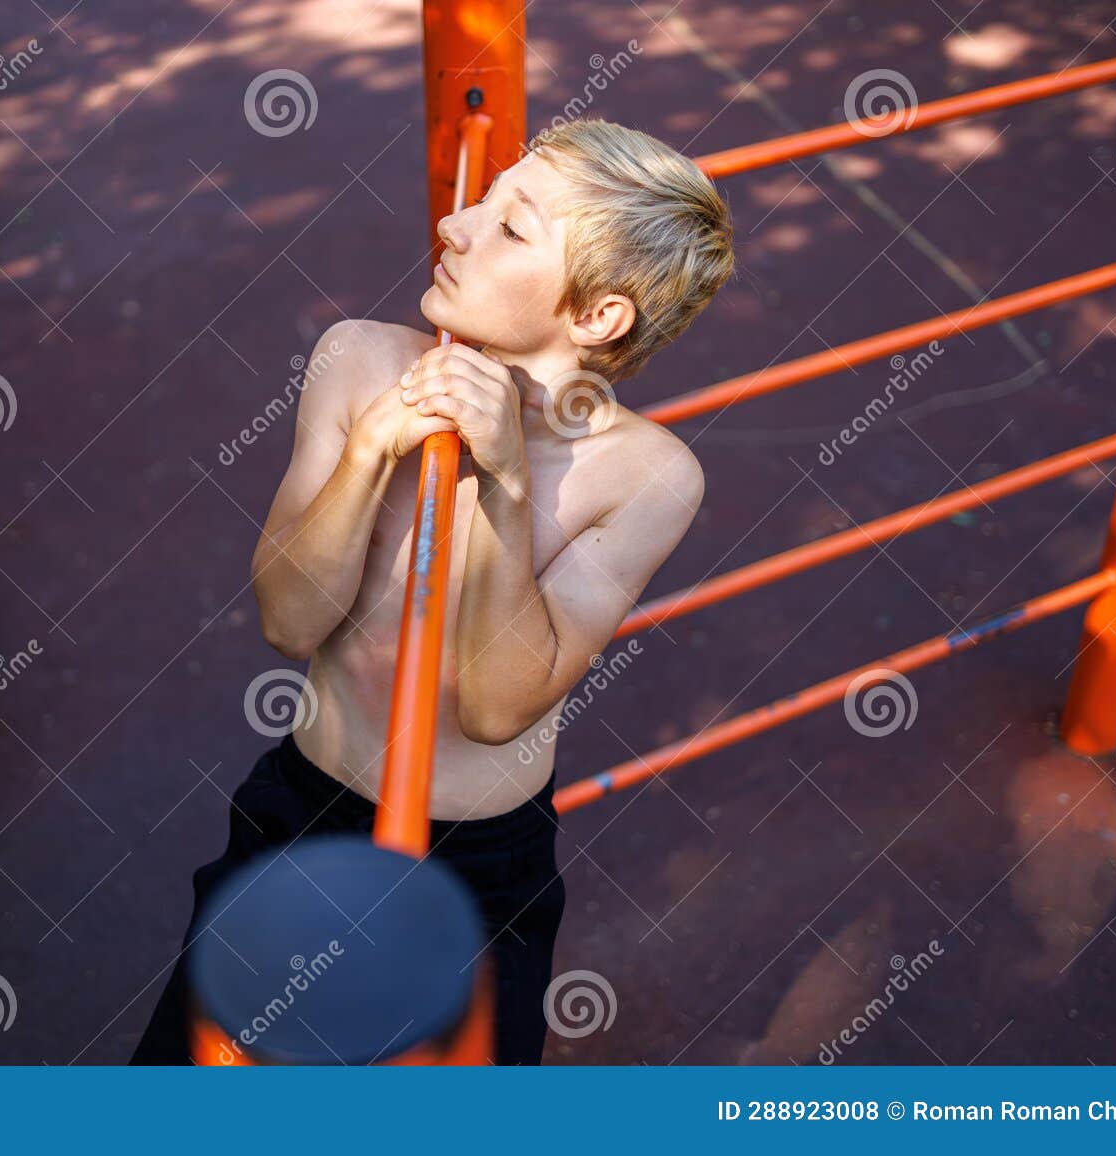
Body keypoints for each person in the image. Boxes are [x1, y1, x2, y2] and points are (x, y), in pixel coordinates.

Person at [131, 117, 735, 1065]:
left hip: (476, 867)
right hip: (306, 813)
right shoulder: (361, 357)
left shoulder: (647, 476)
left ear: (595, 317)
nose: (455, 226)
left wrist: (507, 482)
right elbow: (289, 623)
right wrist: (372, 448)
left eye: (509, 227)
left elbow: (496, 707)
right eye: (482, 200)